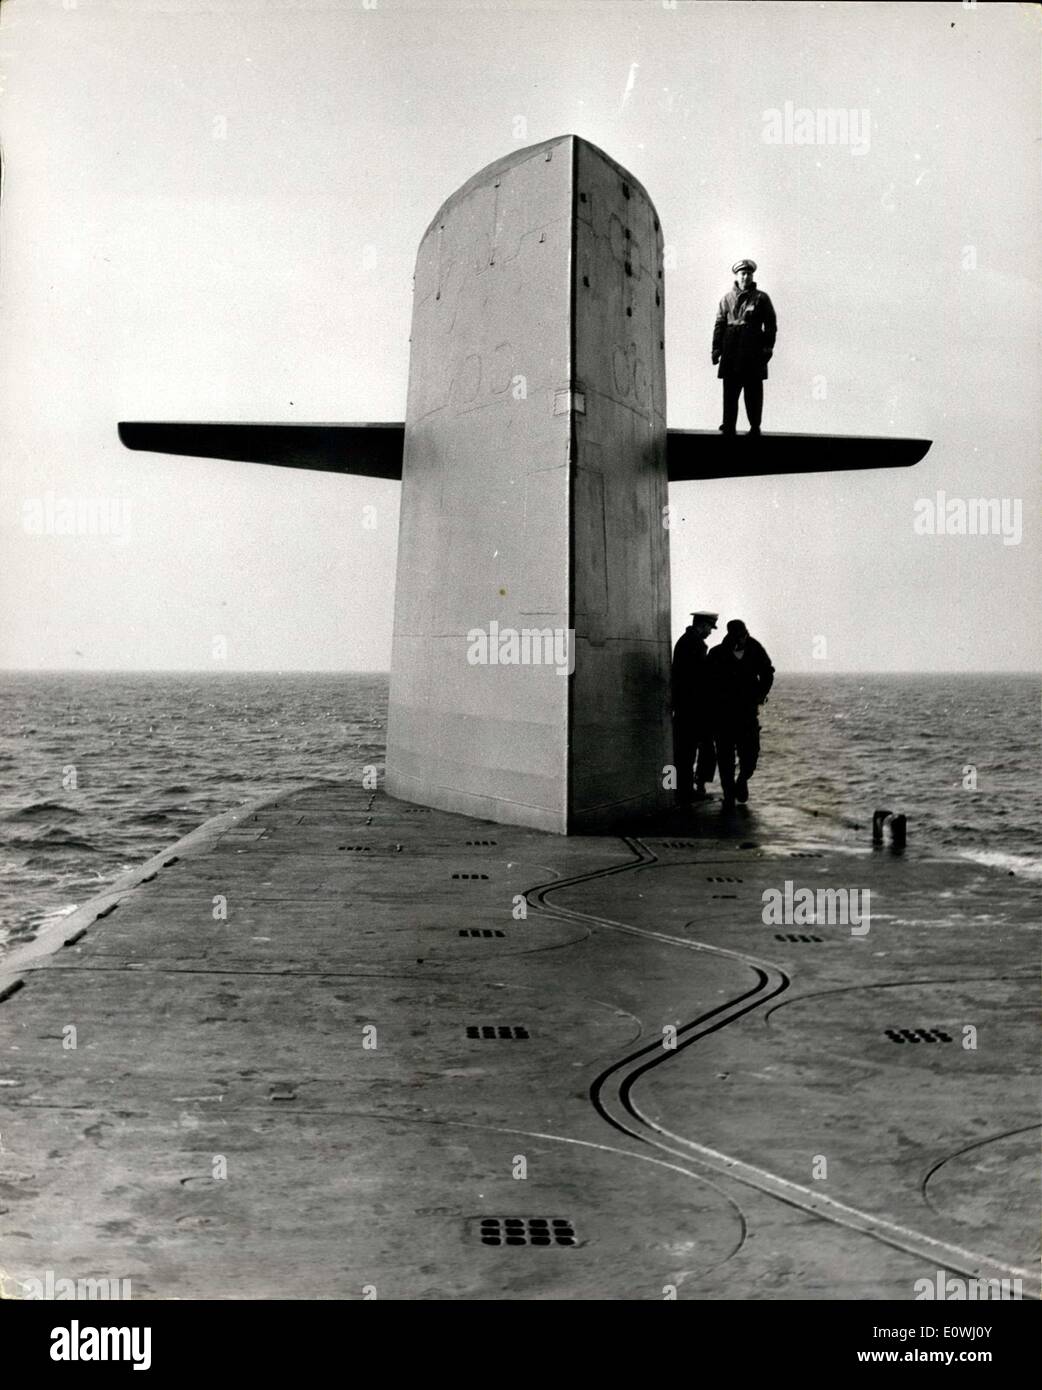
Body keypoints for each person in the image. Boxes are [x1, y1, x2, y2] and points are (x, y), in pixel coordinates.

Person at [706, 619, 775, 809]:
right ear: (731, 636)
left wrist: (760, 694)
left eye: (745, 635)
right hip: (723, 715)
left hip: (747, 713)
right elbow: (708, 683)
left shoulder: (755, 649)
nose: (744, 639)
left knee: (751, 754)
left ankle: (743, 779)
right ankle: (729, 793)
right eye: (740, 636)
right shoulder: (717, 653)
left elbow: (768, 672)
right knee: (725, 758)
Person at [712, 259, 777, 436]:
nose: (746, 276)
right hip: (731, 348)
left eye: (749, 273)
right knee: (730, 391)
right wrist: (716, 349)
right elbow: (719, 325)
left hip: (753, 350)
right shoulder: (726, 299)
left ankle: (755, 426)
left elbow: (770, 324)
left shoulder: (761, 298)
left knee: (753, 391)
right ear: (737, 275)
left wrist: (768, 347)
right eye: (743, 273)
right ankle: (728, 425)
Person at [671, 610, 719, 803]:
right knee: (697, 750)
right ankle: (692, 788)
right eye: (709, 628)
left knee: (684, 751)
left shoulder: (685, 641)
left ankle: (680, 788)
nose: (710, 632)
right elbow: (698, 678)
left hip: (685, 705)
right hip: (694, 707)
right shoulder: (695, 644)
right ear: (702, 625)